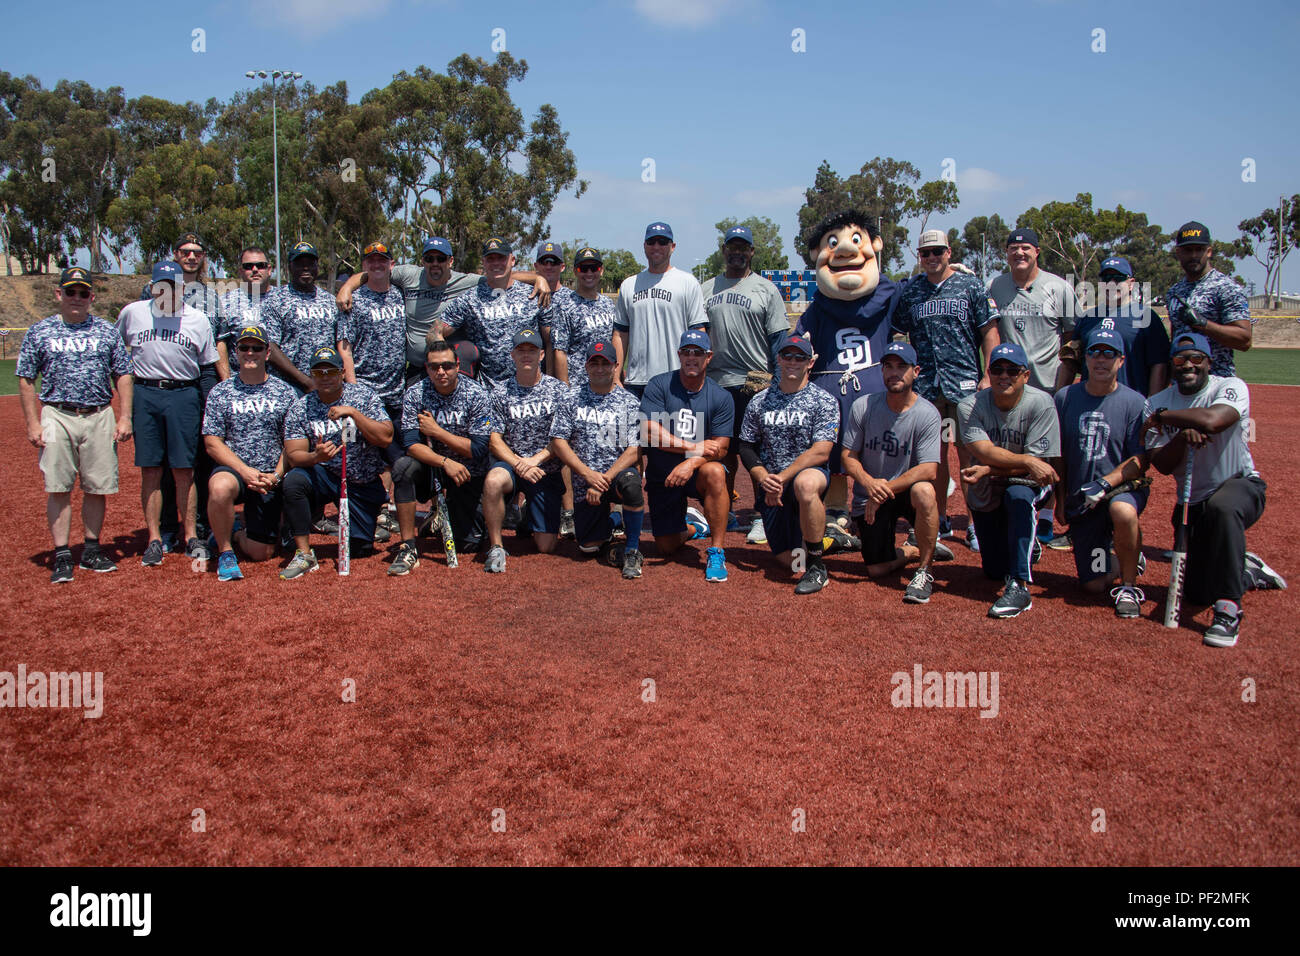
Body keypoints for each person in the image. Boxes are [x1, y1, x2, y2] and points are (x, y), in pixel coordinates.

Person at [1144, 333, 1274, 646]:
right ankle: (1245, 572)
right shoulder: (1157, 400)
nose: (1188, 365)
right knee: (1196, 593)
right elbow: (1160, 463)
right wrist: (1180, 436)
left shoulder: (1228, 386)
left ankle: (1229, 610)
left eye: (1196, 358)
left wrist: (1164, 419)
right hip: (1192, 500)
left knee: (1223, 508)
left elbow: (1214, 420)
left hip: (1240, 484)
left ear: (1208, 362)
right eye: (1180, 359)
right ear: (1172, 364)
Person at [17, 267, 134, 583]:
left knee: (97, 486)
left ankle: (92, 548)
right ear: (59, 294)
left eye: (83, 293)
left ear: (91, 297)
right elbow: (27, 378)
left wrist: (124, 416)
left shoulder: (106, 331)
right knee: (59, 486)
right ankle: (62, 554)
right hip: (57, 413)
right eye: (71, 291)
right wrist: (32, 423)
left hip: (98, 414)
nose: (77, 298)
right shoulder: (40, 332)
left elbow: (122, 373)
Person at [793, 210, 898, 551]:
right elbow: (799, 342)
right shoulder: (818, 308)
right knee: (833, 455)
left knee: (873, 453)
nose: (845, 252)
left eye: (856, 241)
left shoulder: (889, 297)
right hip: (832, 397)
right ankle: (836, 514)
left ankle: (867, 508)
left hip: (876, 398)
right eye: (833, 244)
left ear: (874, 246)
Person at [890, 228, 1000, 551]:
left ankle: (977, 522)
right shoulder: (912, 292)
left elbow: (990, 331)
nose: (932, 258)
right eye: (926, 253)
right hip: (926, 386)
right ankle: (937, 521)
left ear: (949, 252)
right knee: (932, 459)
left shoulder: (970, 286)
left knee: (970, 455)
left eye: (938, 251)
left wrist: (989, 374)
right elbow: (897, 333)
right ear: (919, 257)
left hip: (965, 384)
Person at [117, 261, 221, 566]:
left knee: (184, 469)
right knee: (150, 469)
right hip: (146, 393)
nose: (166, 292)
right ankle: (155, 538)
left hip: (183, 394)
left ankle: (190, 535)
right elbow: (116, 354)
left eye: (173, 286)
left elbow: (207, 368)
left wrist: (205, 405)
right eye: (161, 286)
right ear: (152, 287)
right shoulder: (132, 313)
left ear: (183, 289)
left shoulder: (197, 319)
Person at [338, 236, 550, 385]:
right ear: (423, 261)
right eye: (430, 259)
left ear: (450, 261)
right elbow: (373, 273)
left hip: (464, 369)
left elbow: (500, 277)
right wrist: (347, 287)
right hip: (420, 367)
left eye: (441, 258)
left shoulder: (469, 282)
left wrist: (538, 277)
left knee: (466, 349)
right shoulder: (408, 275)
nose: (435, 263)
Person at [987, 227, 1078, 545]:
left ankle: (1049, 517)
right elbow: (991, 331)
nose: (1019, 253)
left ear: (1037, 251)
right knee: (1014, 450)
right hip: (1011, 386)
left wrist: (1064, 382)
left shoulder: (1059, 288)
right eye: (1013, 248)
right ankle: (1016, 509)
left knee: (1050, 455)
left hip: (1049, 384)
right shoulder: (996, 286)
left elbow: (1071, 339)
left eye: (1026, 248)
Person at [1052, 329, 1151, 618]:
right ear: (1085, 359)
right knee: (1094, 583)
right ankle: (1125, 557)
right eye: (1095, 352)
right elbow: (1058, 455)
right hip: (1084, 502)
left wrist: (1105, 484)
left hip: (1121, 491)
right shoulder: (1065, 398)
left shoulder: (1135, 403)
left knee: (1122, 511)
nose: (1101, 360)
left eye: (1109, 354)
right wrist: (1060, 499)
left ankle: (1130, 586)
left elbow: (1140, 459)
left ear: (1120, 361)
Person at [958, 343, 1061, 618]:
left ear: (1025, 375)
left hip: (1025, 484)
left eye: (1012, 370)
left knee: (1018, 496)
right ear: (988, 372)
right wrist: (1026, 459)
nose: (1004, 376)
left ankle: (1019, 586)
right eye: (997, 369)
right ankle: (1025, 543)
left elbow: (1039, 470)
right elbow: (984, 452)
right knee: (993, 571)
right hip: (988, 486)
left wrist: (992, 470)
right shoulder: (969, 405)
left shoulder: (1041, 403)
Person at [700, 224, 790, 533]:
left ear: (751, 252)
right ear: (723, 250)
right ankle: (723, 512)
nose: (737, 252)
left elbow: (779, 341)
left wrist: (777, 385)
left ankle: (763, 516)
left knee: (755, 451)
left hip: (755, 380)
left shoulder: (765, 289)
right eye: (732, 247)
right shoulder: (706, 289)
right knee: (721, 452)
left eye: (743, 247)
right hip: (714, 380)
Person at [840, 342, 946, 604]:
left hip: (905, 491)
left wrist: (884, 489)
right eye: (889, 366)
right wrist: (869, 483)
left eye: (902, 366)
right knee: (876, 570)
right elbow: (848, 456)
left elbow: (929, 469)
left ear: (916, 371)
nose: (894, 372)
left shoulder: (927, 413)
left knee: (924, 490)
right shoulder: (864, 405)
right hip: (873, 493)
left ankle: (924, 569)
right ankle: (911, 550)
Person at [738, 332, 840, 595]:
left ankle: (818, 568)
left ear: (810, 363)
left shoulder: (824, 401)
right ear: (779, 359)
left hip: (807, 478)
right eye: (787, 356)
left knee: (805, 484)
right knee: (791, 561)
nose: (793, 361)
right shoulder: (759, 401)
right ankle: (831, 541)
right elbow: (747, 446)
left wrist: (781, 478)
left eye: (800, 357)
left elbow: (821, 451)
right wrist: (764, 479)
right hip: (772, 487)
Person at [279, 347, 394, 579]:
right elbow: (293, 455)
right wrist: (315, 457)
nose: (325, 377)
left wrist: (354, 413)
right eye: (319, 373)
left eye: (330, 372)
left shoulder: (363, 396)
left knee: (360, 549)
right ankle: (304, 552)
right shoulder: (301, 407)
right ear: (311, 375)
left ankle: (355, 526)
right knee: (293, 481)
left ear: (341, 372)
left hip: (359, 482)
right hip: (322, 475)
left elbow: (385, 437)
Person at [387, 338, 494, 574]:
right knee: (403, 468)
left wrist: (437, 431)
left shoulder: (476, 394)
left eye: (446, 365)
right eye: (434, 367)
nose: (441, 371)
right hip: (433, 466)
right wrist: (445, 462)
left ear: (457, 365)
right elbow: (411, 445)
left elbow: (477, 449)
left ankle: (440, 517)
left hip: (467, 471)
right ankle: (409, 546)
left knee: (468, 544)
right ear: (426, 368)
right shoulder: (415, 394)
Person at [201, 324, 296, 581]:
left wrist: (275, 475)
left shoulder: (285, 392)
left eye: (257, 348)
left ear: (267, 353)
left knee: (261, 553)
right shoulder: (221, 392)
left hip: (271, 477)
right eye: (244, 347)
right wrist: (244, 471)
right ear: (236, 352)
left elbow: (293, 440)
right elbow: (212, 442)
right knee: (219, 487)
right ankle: (225, 551)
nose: (250, 352)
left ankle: (236, 531)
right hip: (237, 472)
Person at [548, 340, 647, 580]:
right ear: (586, 366)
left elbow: (635, 449)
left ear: (615, 366)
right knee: (587, 548)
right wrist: (587, 475)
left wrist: (604, 478)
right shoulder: (572, 398)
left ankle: (633, 549)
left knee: (632, 484)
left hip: (615, 477)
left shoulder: (629, 402)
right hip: (585, 481)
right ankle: (613, 520)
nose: (600, 368)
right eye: (595, 363)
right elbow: (558, 441)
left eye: (606, 363)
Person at [640, 329, 734, 582]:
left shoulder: (721, 397)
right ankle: (695, 526)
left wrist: (692, 462)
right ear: (679, 354)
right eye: (686, 352)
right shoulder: (659, 385)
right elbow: (649, 432)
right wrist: (696, 446)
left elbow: (721, 449)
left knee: (714, 471)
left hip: (696, 473)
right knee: (666, 547)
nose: (692, 357)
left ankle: (716, 550)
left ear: (709, 356)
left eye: (698, 353)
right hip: (664, 475)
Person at [481, 329, 569, 573]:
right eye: (521, 350)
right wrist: (520, 464)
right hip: (512, 464)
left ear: (542, 354)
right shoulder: (499, 392)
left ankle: (526, 514)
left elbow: (563, 437)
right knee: (492, 481)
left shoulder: (558, 391)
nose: (526, 355)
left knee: (546, 546)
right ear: (512, 355)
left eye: (532, 350)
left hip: (545, 469)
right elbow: (494, 440)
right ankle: (496, 546)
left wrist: (535, 460)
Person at [550, 246, 618, 538]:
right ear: (575, 271)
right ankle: (568, 512)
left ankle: (612, 510)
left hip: (605, 386)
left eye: (594, 268)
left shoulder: (608, 305)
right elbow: (560, 350)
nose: (589, 273)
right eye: (583, 268)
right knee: (571, 447)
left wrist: (617, 379)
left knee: (608, 444)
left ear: (601, 270)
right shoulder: (566, 305)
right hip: (577, 387)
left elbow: (615, 344)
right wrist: (565, 388)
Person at [434, 237, 551, 385]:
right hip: (489, 392)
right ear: (483, 262)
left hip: (530, 391)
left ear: (512, 260)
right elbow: (435, 331)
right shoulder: (469, 299)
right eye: (490, 258)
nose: (496, 263)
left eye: (501, 258)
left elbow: (551, 343)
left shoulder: (535, 294)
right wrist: (442, 358)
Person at [613, 222, 709, 398]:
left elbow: (699, 332)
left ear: (672, 247)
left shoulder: (687, 283)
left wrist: (697, 375)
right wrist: (616, 376)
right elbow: (620, 334)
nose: (656, 246)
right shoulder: (629, 285)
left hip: (676, 379)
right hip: (637, 381)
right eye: (652, 242)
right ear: (644, 246)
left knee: (672, 427)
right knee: (639, 427)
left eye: (663, 242)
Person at [336, 241, 407, 467]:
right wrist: (354, 389)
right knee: (360, 460)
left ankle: (391, 500)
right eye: (371, 260)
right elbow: (344, 348)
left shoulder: (401, 295)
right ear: (364, 265)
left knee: (399, 461)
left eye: (382, 260)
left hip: (397, 393)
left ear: (391, 264)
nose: (377, 264)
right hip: (365, 392)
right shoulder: (353, 301)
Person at [1062, 256, 1170, 398]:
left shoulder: (1146, 318)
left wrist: (1152, 404)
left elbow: (1159, 365)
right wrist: (1061, 398)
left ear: (1131, 283)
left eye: (1118, 278)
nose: (1111, 283)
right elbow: (1071, 363)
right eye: (1106, 278)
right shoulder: (1087, 318)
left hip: (1132, 405)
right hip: (1088, 404)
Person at [1165, 221, 1253, 378]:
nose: (1193, 255)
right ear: (1178, 253)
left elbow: (1244, 340)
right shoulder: (1174, 292)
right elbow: (1176, 336)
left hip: (1217, 380)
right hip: (1182, 383)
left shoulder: (1226, 287)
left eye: (1199, 250)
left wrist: (1204, 324)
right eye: (1188, 250)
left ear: (1209, 251)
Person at [259, 241, 339, 394]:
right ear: (289, 267)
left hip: (327, 385)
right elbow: (271, 348)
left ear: (317, 266)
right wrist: (306, 382)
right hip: (288, 388)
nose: (306, 268)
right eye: (300, 263)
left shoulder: (330, 301)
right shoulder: (276, 300)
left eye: (310, 263)